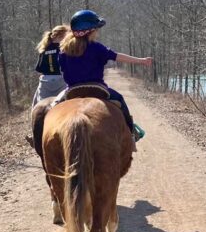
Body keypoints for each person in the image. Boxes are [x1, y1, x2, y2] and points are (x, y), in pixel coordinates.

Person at [59, 9, 151, 141]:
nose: (97, 32)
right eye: (96, 29)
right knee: (120, 100)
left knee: (52, 108)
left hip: (72, 90)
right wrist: (141, 61)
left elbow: (62, 70)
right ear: (89, 31)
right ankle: (130, 133)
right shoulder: (96, 47)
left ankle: (39, 137)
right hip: (97, 88)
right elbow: (117, 56)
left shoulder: (63, 50)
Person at [33, 24, 68, 107]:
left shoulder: (43, 49)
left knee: (36, 104)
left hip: (45, 82)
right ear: (61, 36)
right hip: (62, 81)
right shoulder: (65, 48)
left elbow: (39, 68)